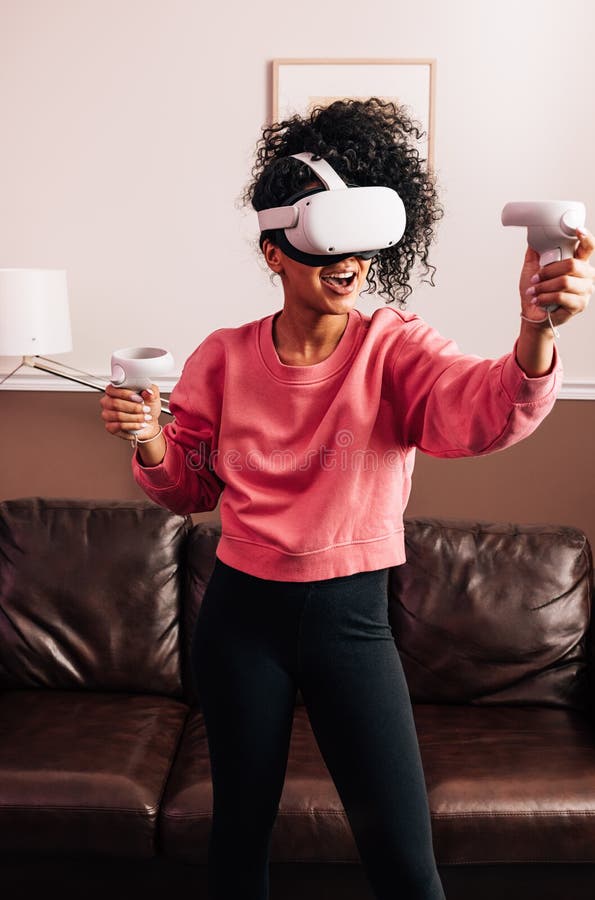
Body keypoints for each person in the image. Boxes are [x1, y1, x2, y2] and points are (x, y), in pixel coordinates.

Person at [100, 98, 594, 900]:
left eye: (363, 248)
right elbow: (188, 488)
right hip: (240, 620)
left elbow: (483, 410)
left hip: (351, 624)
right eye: (328, 244)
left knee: (402, 860)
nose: (351, 264)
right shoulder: (222, 358)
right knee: (238, 842)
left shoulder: (393, 348)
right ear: (274, 250)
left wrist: (536, 328)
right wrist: (149, 439)